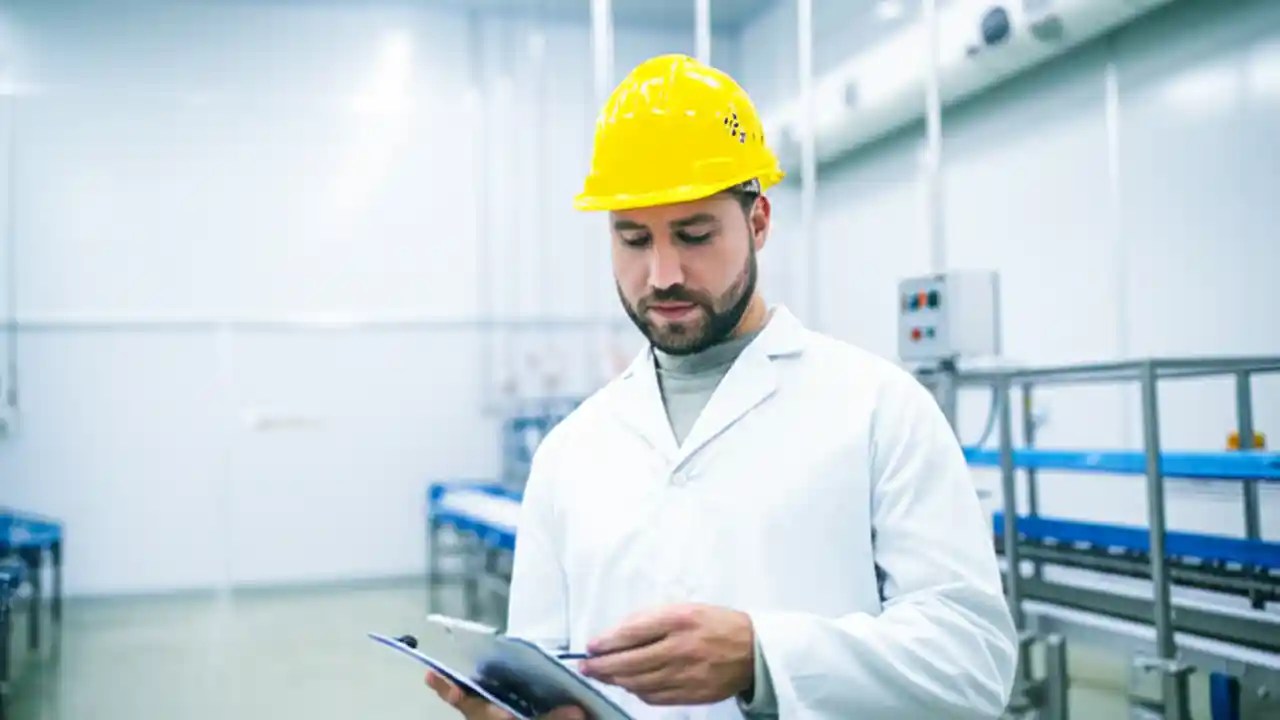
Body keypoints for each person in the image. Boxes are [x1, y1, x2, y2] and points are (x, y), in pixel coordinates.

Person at [426, 53, 1018, 720]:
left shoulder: (879, 407)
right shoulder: (571, 451)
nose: (663, 274)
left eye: (695, 234)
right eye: (633, 239)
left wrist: (762, 658)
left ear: (759, 221)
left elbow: (973, 663)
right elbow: (547, 671)